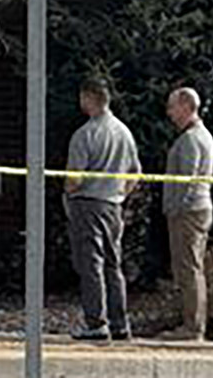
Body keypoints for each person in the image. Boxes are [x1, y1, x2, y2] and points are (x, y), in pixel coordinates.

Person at [65, 77, 142, 341]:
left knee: (91, 265)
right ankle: (120, 324)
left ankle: (96, 323)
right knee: (113, 264)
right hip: (113, 206)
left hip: (88, 205)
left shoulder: (85, 134)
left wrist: (68, 194)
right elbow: (135, 173)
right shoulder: (124, 132)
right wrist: (121, 193)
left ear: (88, 97)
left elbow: (74, 179)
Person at [160, 87, 213, 342]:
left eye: (172, 106)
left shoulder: (192, 139)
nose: (169, 112)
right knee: (189, 267)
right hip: (193, 208)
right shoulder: (198, 136)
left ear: (185, 106)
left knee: (189, 268)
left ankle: (193, 327)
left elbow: (188, 180)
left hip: (189, 212)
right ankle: (191, 324)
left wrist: (175, 207)